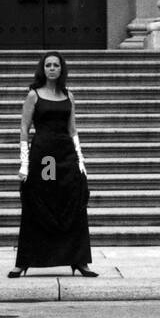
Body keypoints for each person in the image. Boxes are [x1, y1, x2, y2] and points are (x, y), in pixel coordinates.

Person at [8, 51, 97, 277]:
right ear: (43, 69)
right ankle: (25, 261)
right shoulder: (34, 95)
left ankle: (79, 260)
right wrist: (24, 163)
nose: (52, 69)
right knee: (41, 203)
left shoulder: (69, 95)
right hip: (45, 158)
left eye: (56, 65)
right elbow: (24, 128)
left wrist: (81, 160)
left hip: (65, 156)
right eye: (48, 65)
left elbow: (72, 129)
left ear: (61, 69)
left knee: (73, 204)